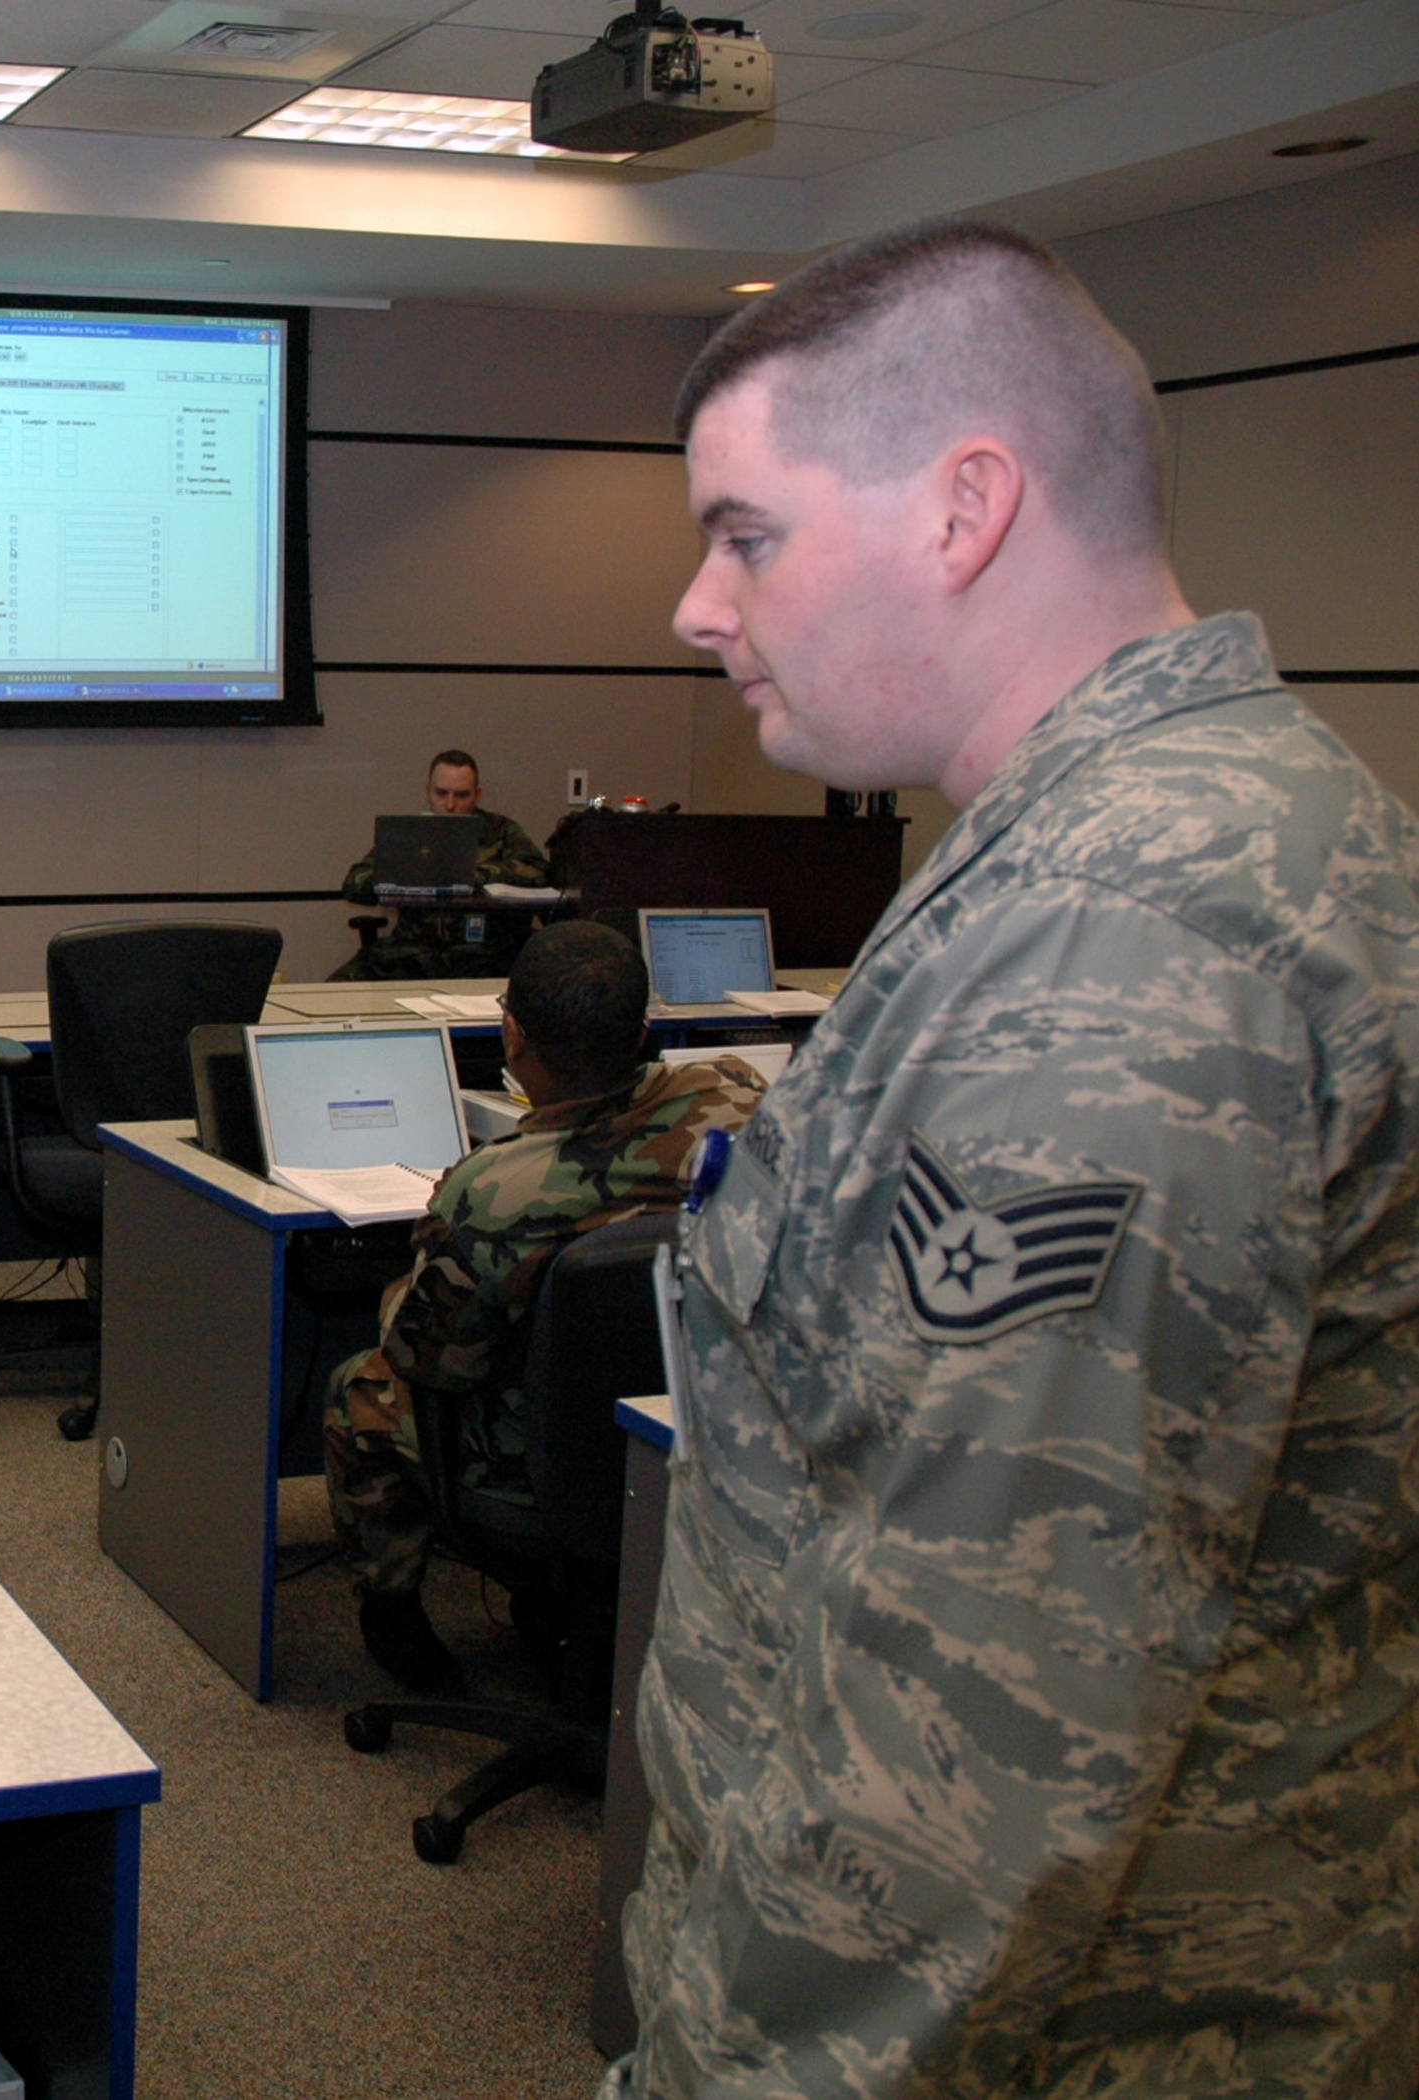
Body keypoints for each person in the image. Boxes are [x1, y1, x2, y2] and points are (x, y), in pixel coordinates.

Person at [620, 218, 1419, 2095]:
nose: (696, 606)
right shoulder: (1184, 834)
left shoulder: (1122, 937)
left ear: (964, 506)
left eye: (745, 534)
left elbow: (976, 1728)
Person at [321, 921, 759, 1693]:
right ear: (644, 1032)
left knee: (362, 1385)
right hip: (713, 1446)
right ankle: (571, 1610)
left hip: (532, 1481)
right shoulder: (738, 1103)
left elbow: (431, 1361)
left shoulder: (493, 1191)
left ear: (512, 1036)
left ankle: (393, 1614)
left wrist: (397, 1290)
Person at [333, 747, 549, 981]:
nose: (450, 804)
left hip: (484, 952)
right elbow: (354, 883)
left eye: (462, 795)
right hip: (413, 950)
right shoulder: (410, 835)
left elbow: (539, 873)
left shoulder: (500, 831)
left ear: (477, 795)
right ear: (428, 791)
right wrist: (405, 874)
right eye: (441, 793)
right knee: (335, 992)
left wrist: (477, 875)